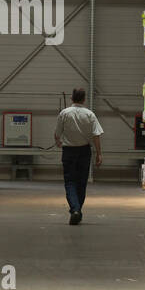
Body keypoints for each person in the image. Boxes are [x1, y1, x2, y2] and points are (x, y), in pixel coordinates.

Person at [53, 88, 103, 226]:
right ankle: (77, 210)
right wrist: (99, 153)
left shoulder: (64, 113)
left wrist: (58, 142)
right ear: (84, 99)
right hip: (84, 151)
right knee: (82, 182)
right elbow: (96, 135)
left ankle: (75, 210)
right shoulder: (90, 114)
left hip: (68, 151)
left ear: (71, 98)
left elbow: (57, 134)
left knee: (70, 182)